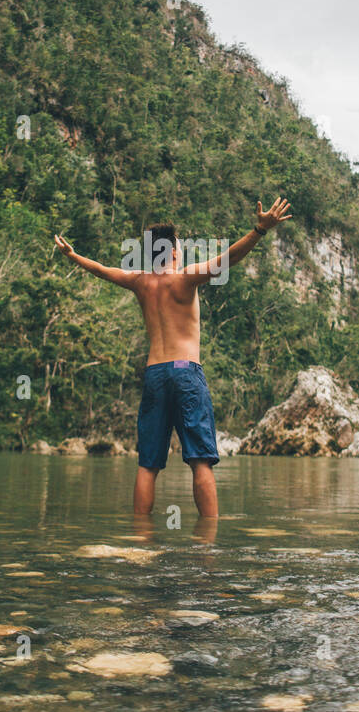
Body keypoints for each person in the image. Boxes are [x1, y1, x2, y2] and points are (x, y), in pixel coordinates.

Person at [54, 197, 292, 516]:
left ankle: (142, 541)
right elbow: (228, 258)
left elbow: (101, 270)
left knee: (149, 464)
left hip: (155, 373)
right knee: (200, 460)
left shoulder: (139, 282)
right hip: (185, 370)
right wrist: (259, 230)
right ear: (174, 252)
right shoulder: (185, 279)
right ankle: (207, 543)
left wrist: (73, 256)